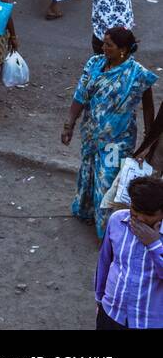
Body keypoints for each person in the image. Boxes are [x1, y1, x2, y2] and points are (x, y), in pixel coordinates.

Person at [64, 26, 159, 238]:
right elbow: (80, 96)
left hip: (117, 141)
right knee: (88, 172)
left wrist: (147, 142)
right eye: (104, 43)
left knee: (107, 181)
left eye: (109, 45)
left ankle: (108, 233)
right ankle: (86, 212)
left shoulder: (137, 74)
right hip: (91, 134)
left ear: (123, 49)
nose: (103, 47)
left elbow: (148, 106)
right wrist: (69, 124)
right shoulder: (95, 64)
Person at [95, 175, 163, 329]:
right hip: (112, 313)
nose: (140, 218)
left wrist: (154, 244)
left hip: (149, 322)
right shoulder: (117, 220)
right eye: (135, 210)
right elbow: (104, 262)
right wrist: (99, 300)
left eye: (149, 215)